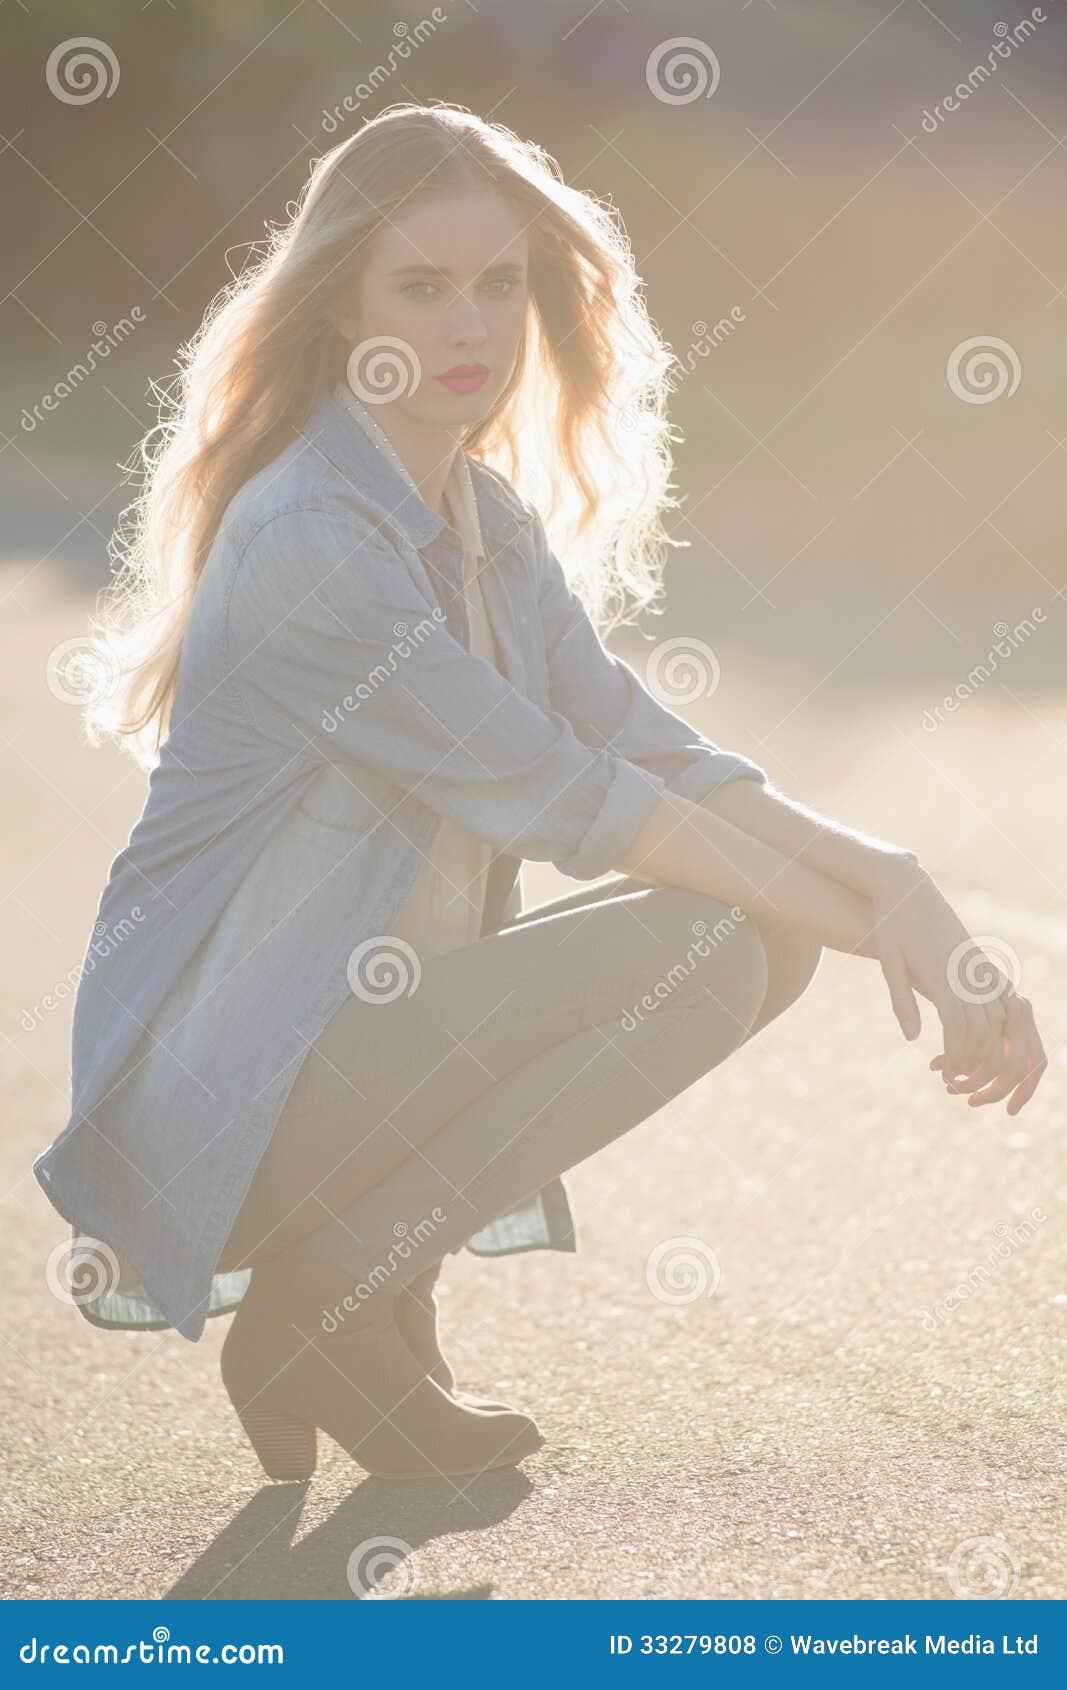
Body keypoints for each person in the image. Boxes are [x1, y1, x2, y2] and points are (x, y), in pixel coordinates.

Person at [33, 103, 1046, 1484]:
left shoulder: (480, 520)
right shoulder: (317, 541)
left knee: (756, 937)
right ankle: (327, 1298)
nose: (473, 327)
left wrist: (898, 879)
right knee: (704, 941)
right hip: (234, 1105)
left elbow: (653, 748)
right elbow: (580, 798)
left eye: (499, 284)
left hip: (350, 1059)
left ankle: (344, 1306)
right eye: (423, 287)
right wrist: (891, 929)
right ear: (343, 307)